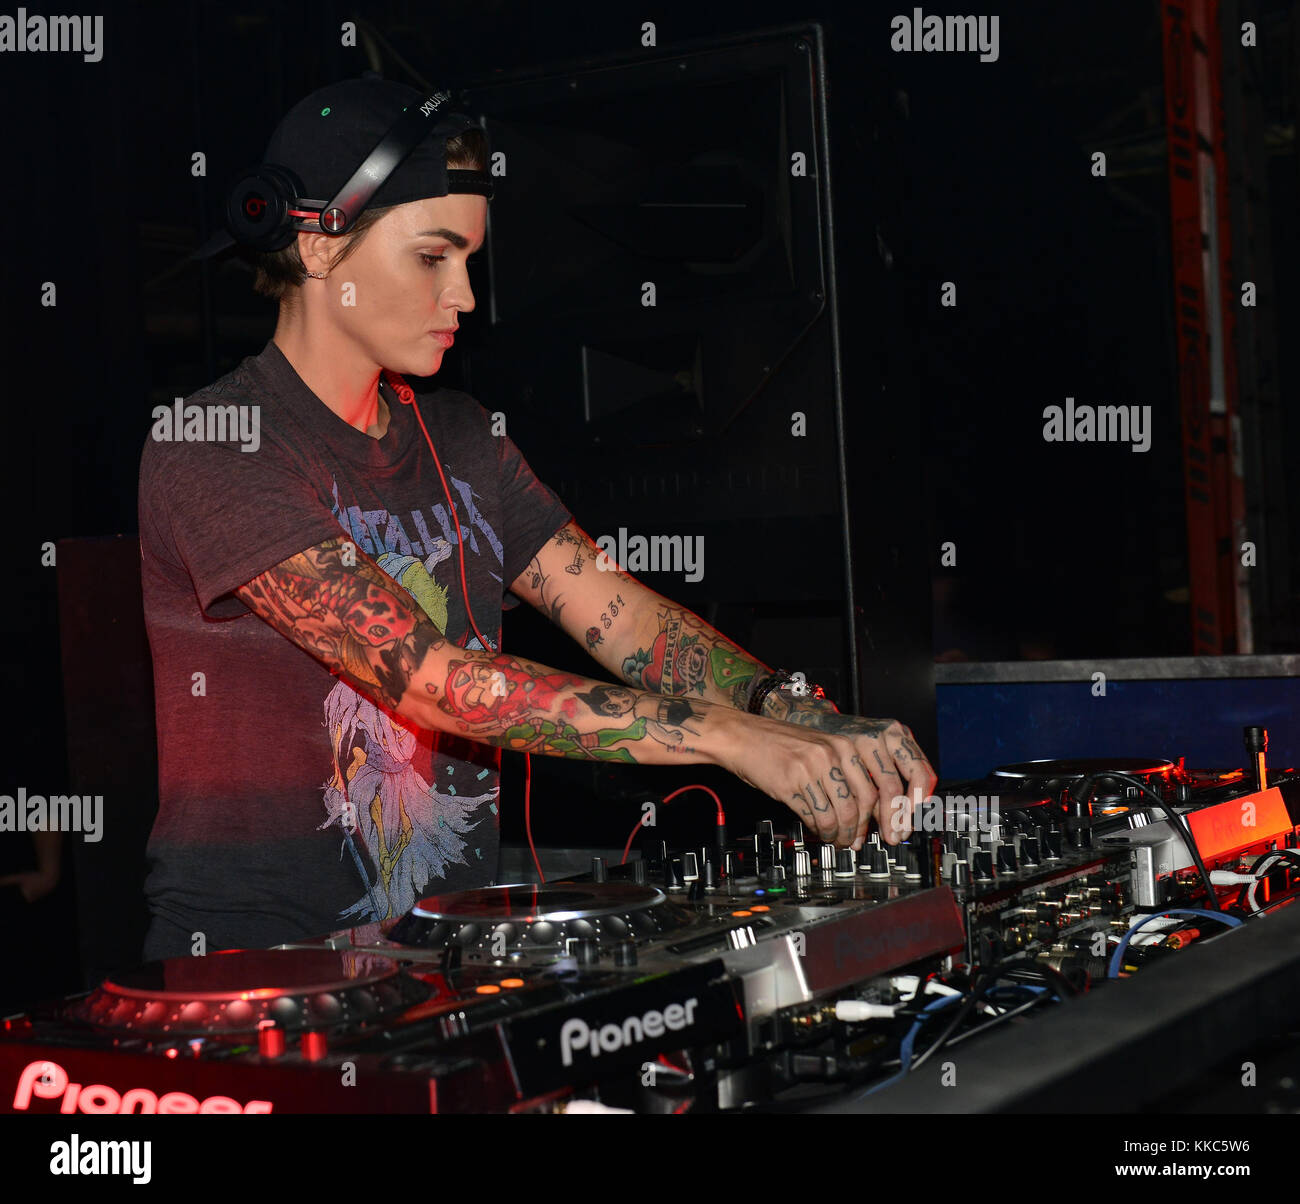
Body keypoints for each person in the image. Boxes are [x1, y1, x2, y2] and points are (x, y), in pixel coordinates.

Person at [137, 76, 936, 960]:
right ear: (318, 246)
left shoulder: (462, 437)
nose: (465, 298)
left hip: (450, 958)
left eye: (470, 261)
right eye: (433, 257)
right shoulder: (213, 443)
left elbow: (625, 618)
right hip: (260, 982)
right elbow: (429, 681)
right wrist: (726, 738)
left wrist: (793, 709)